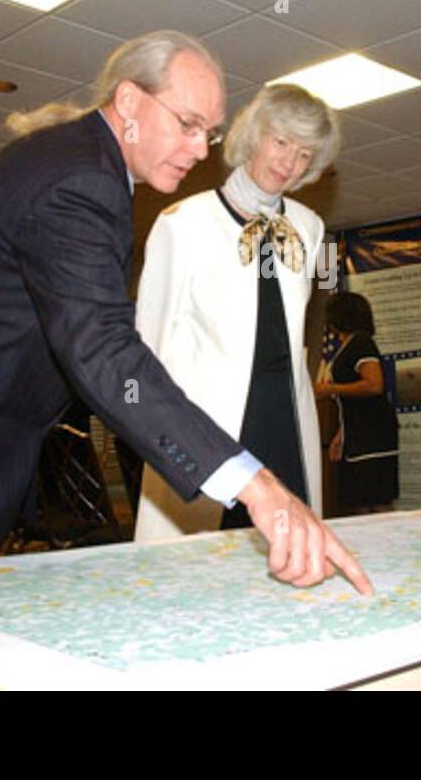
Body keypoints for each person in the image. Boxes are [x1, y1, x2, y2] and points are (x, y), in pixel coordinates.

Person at [0, 31, 370, 594]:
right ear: (130, 101)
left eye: (208, 133)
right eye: (187, 124)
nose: (200, 148)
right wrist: (255, 484)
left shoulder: (72, 159)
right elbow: (106, 349)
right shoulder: (83, 180)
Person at [133, 84, 339, 540]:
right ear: (253, 136)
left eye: (304, 154)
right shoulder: (181, 223)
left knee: (290, 550)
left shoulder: (309, 226)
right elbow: (148, 348)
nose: (288, 162)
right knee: (200, 568)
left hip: (284, 416)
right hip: (209, 425)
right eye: (281, 142)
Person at [315, 292, 399, 514]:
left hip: (372, 436)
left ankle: (392, 546)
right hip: (357, 436)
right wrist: (341, 435)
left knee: (376, 502)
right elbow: (351, 402)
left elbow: (374, 384)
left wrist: (328, 388)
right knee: (359, 501)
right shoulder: (350, 344)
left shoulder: (361, 342)